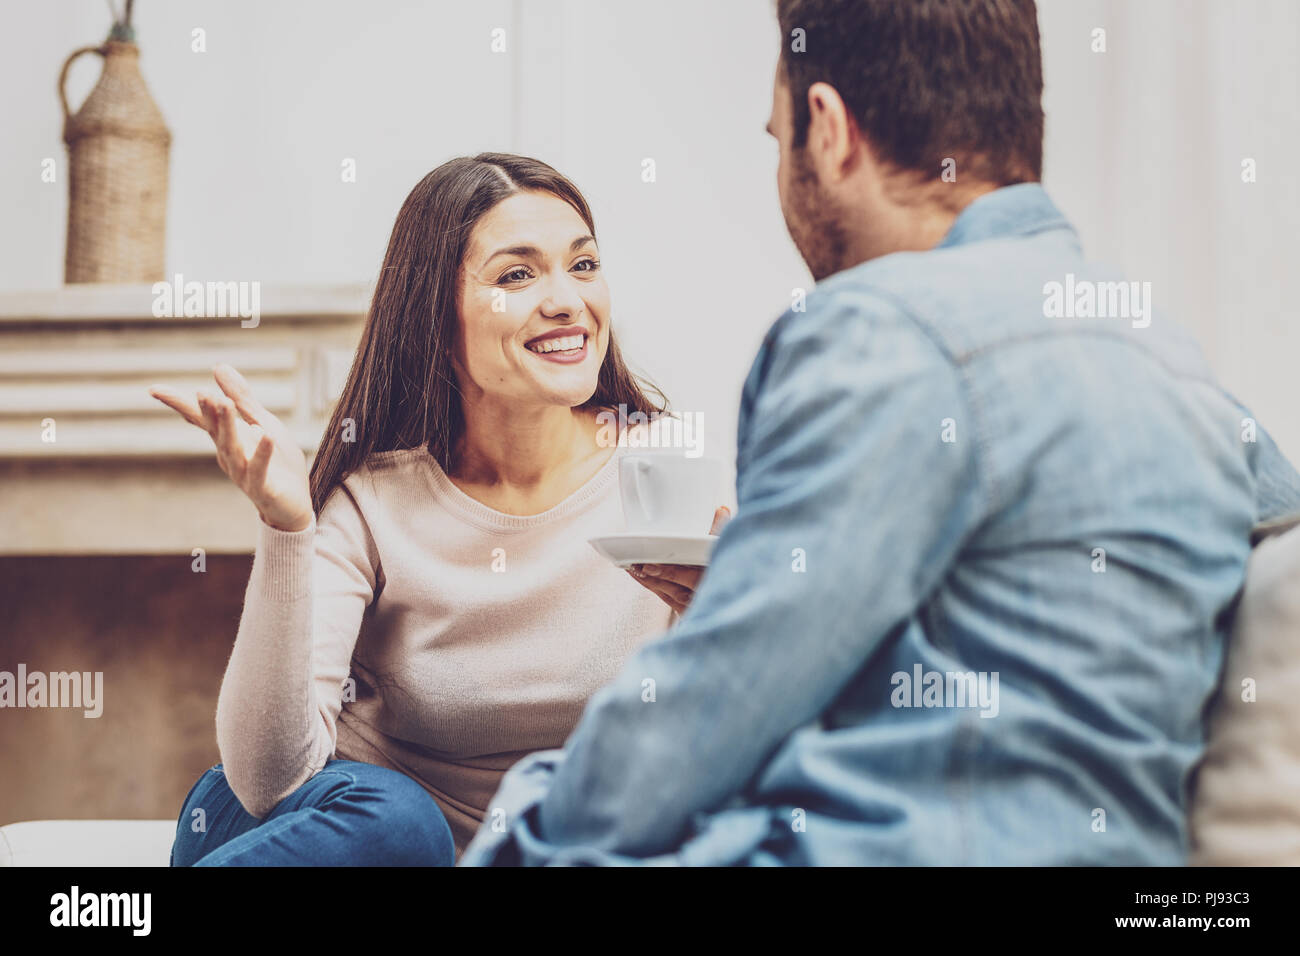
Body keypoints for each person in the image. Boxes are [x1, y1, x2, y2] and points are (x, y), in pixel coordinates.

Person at [460, 0, 1300, 866]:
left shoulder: (873, 328)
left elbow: (700, 722)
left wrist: (521, 836)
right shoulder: (1172, 359)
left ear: (827, 129)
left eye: (776, 136)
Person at [153, 153, 725, 865]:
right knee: (401, 824)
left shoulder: (671, 472)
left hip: (542, 848)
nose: (568, 301)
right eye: (517, 275)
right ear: (436, 313)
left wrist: (730, 617)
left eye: (583, 265)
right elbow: (268, 780)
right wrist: (286, 526)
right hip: (338, 828)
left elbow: (721, 752)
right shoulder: (373, 498)